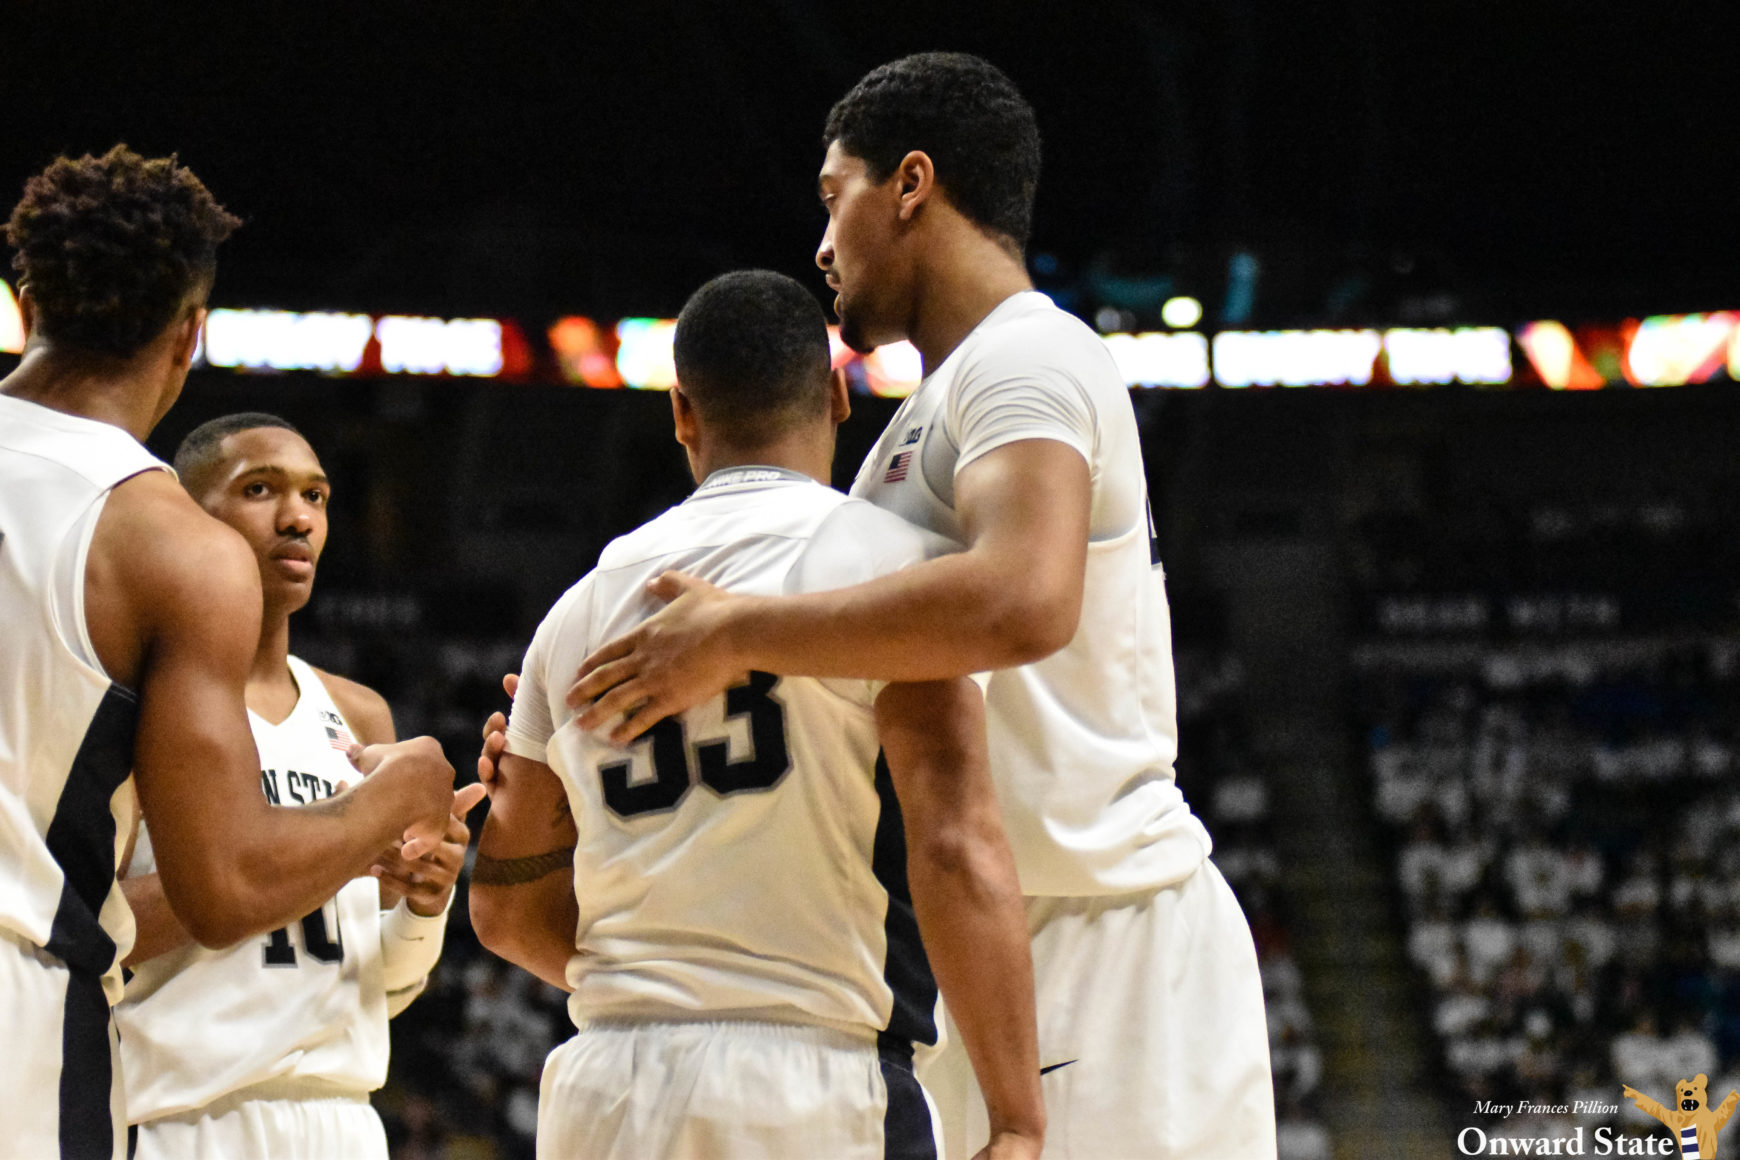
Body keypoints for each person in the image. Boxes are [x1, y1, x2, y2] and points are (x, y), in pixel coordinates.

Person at [559, 55, 1276, 1158]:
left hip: (1101, 931)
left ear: (910, 184)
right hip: (973, 940)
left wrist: (736, 632)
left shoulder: (1032, 354)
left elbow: (1024, 600)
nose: (821, 245)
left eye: (831, 195)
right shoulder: (913, 426)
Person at [471, 269, 1044, 1160]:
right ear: (836, 397)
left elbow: (507, 913)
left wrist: (661, 991)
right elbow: (953, 844)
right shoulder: (896, 580)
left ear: (682, 414)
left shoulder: (575, 611)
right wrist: (1016, 1116)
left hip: (604, 1087)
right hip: (811, 1088)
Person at [0, 146, 456, 1160]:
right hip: (27, 1006)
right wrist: (400, 791)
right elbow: (224, 888)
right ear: (189, 334)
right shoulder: (164, 540)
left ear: (25, 309)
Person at [114, 413, 486, 1159]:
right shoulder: (131, 707)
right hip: (185, 1121)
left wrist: (425, 901)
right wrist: (322, 849)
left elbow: (383, 984)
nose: (298, 518)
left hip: (343, 1119)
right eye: (260, 489)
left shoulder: (359, 714)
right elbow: (98, 932)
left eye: (315, 496)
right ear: (189, 514)